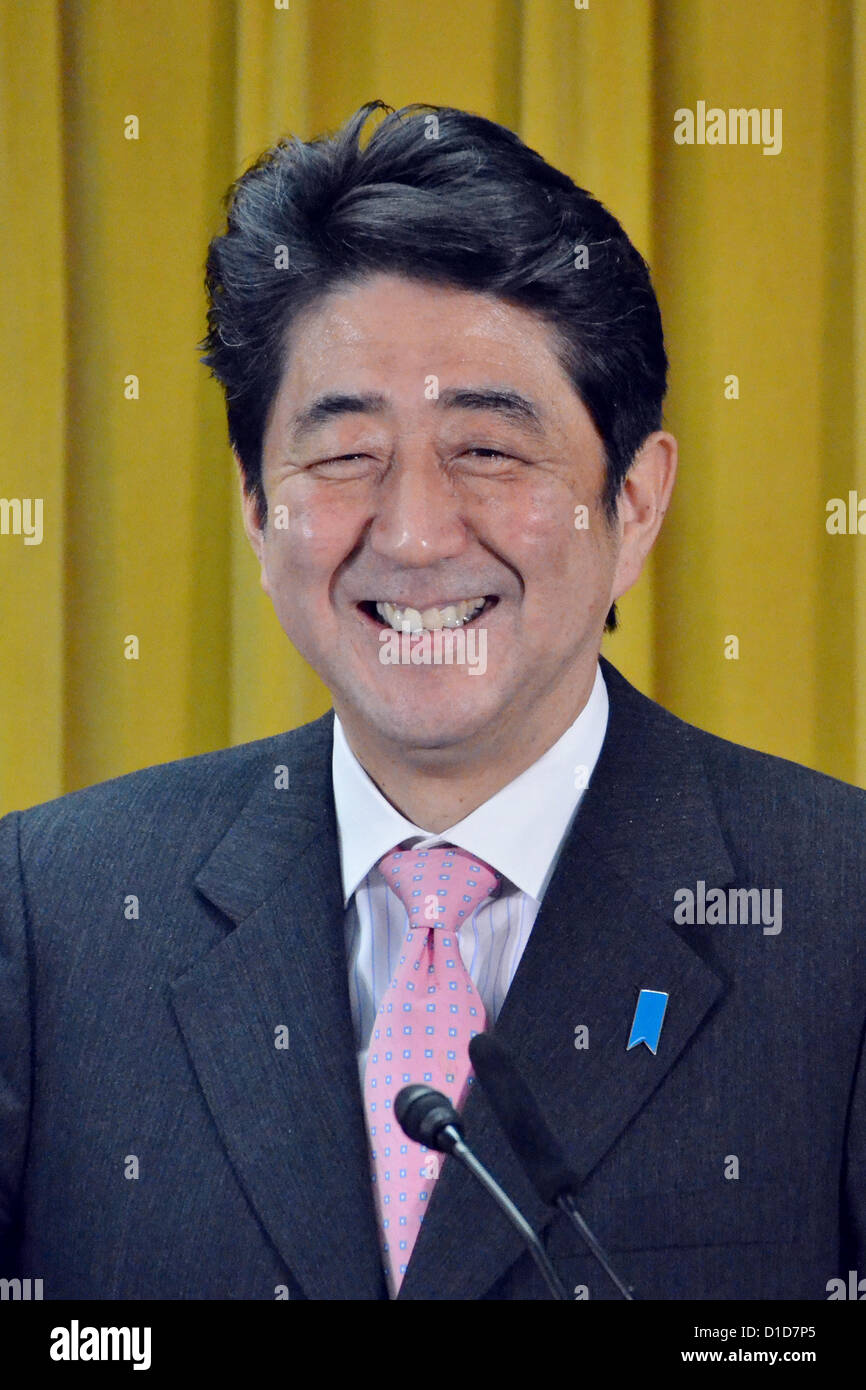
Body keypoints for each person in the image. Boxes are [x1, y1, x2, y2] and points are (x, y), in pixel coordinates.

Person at [1, 99, 864, 1302]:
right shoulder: (49, 914)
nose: (411, 535)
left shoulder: (838, 911)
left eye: (489, 450)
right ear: (257, 508)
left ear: (633, 504)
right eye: (344, 454)